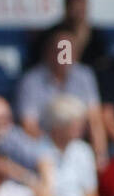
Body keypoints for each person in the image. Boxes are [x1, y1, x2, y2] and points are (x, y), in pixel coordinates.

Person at [15, 28, 107, 163]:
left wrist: (100, 152)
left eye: (68, 52)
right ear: (48, 53)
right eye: (60, 51)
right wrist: (54, 148)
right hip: (42, 146)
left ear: (76, 55)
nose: (64, 56)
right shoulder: (30, 81)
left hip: (77, 145)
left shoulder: (84, 76)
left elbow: (94, 119)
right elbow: (28, 126)